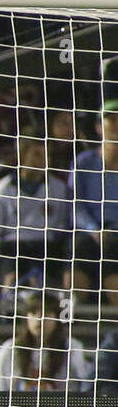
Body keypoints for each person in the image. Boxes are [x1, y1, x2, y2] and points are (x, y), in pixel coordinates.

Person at [0, 134, 71, 303]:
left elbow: (63, 227)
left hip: (46, 245)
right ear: (22, 155)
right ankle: (7, 308)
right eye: (37, 154)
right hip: (13, 244)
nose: (43, 160)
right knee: (11, 263)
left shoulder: (59, 189)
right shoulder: (2, 189)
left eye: (47, 155)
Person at [0, 291, 93, 390]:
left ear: (57, 318)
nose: (40, 319)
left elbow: (85, 384)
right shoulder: (10, 348)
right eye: (33, 313)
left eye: (46, 313)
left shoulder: (71, 347)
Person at [68, 104, 118, 306]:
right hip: (91, 232)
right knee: (76, 251)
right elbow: (75, 205)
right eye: (111, 119)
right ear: (99, 127)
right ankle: (69, 315)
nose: (116, 124)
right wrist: (93, 229)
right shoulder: (84, 162)